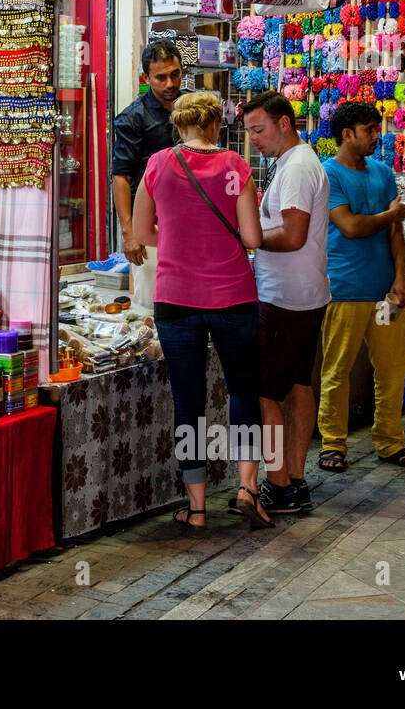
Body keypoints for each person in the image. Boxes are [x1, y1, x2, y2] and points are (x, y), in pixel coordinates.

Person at [132, 92, 272, 530]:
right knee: (243, 391)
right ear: (215, 124)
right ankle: (248, 487)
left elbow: (141, 232)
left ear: (179, 127)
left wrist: (178, 234)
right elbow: (252, 237)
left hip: (176, 300)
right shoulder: (235, 167)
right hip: (234, 296)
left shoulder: (157, 165)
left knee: (188, 400)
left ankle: (195, 507)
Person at [317, 102, 405, 473]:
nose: (376, 135)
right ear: (346, 134)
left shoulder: (383, 172)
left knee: (393, 369)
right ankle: (333, 444)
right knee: (337, 372)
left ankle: (390, 442)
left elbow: (395, 233)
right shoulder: (327, 174)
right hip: (344, 289)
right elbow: (349, 226)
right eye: (369, 129)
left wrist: (402, 277)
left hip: (385, 293)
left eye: (376, 128)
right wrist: (390, 215)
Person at [242, 90, 330, 514]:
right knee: (297, 386)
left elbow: (293, 236)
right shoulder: (293, 162)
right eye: (249, 132)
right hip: (303, 295)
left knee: (265, 393)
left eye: (258, 130)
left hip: (284, 300)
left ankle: (278, 485)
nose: (253, 139)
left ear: (284, 123)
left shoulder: (296, 167)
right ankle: (295, 481)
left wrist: (251, 240)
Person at [111, 39, 184, 306]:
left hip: (187, 220)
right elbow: (121, 177)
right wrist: (129, 234)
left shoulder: (190, 105)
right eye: (161, 77)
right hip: (149, 223)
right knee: (151, 302)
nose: (170, 84)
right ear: (147, 77)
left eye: (174, 74)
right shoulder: (133, 118)